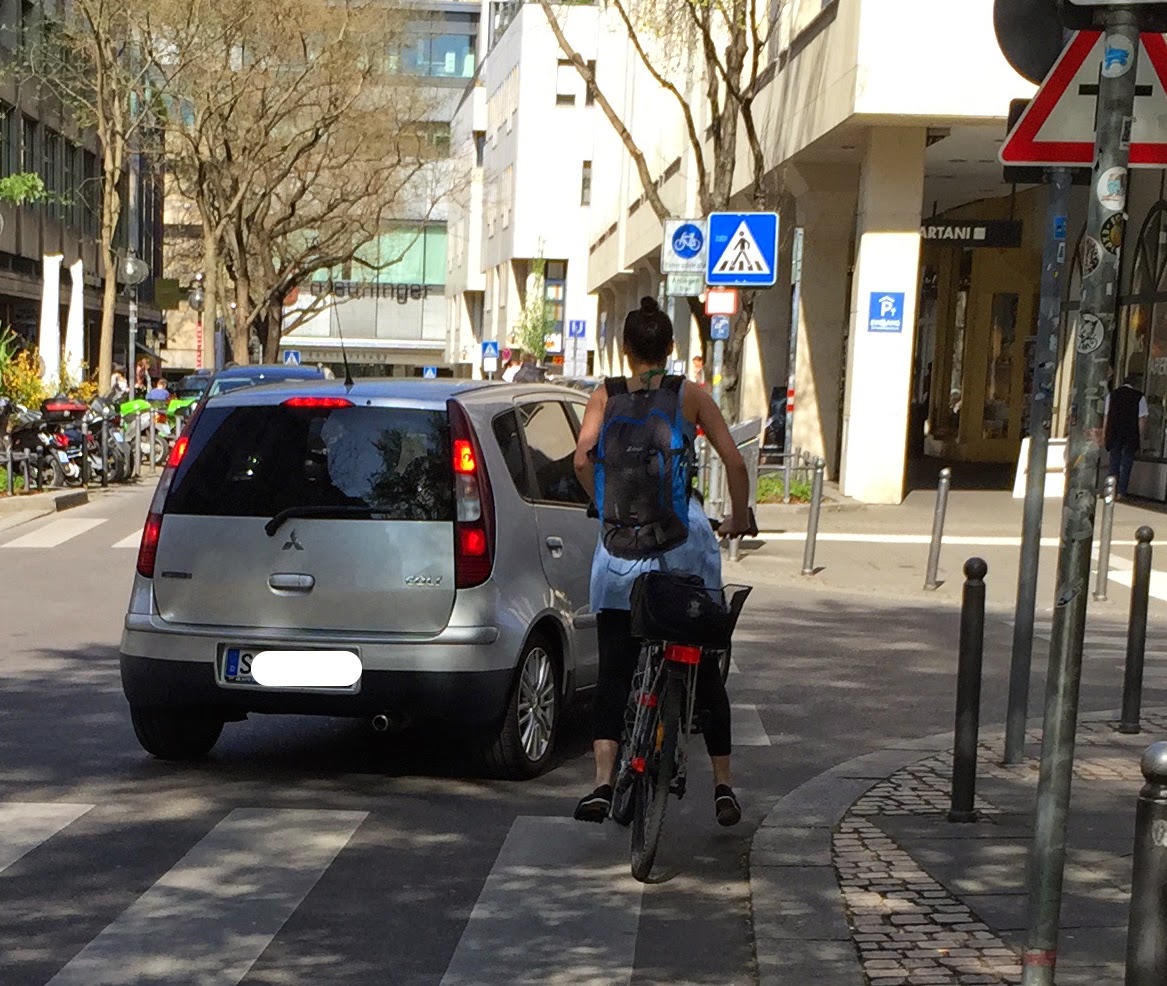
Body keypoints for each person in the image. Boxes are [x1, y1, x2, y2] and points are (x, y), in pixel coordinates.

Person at [571, 296, 751, 828]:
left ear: (625, 350)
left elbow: (582, 459)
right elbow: (735, 462)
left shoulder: (603, 395)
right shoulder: (691, 395)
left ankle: (603, 783)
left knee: (614, 671)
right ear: (670, 348)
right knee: (702, 659)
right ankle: (723, 786)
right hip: (682, 545)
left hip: (620, 548)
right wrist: (739, 517)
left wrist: (606, 504)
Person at [1103, 371, 1148, 499]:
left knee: (1114, 463)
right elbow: (1141, 419)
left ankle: (1111, 490)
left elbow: (1106, 416)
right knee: (1126, 463)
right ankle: (1121, 492)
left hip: (1114, 433)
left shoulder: (1111, 395)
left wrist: (1104, 435)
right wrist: (1140, 436)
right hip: (1130, 435)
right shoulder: (1139, 397)